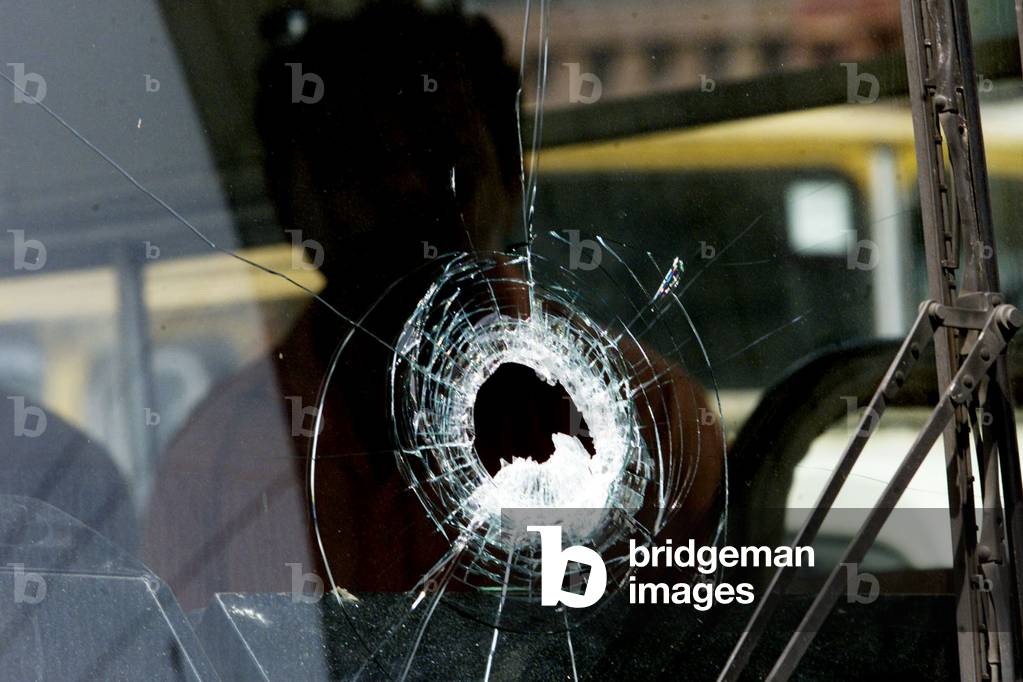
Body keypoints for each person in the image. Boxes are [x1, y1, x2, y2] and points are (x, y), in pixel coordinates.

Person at [143, 2, 724, 611]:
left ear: (511, 180)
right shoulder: (211, 467)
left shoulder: (650, 419)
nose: (407, 191)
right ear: (290, 203)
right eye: (357, 163)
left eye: (442, 155)